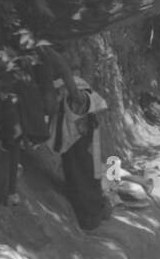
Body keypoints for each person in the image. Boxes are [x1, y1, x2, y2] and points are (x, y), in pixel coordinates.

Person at [39, 46, 111, 231]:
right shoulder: (74, 90)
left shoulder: (78, 92)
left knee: (82, 175)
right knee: (83, 174)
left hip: (80, 138)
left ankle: (91, 216)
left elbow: (76, 100)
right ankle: (94, 211)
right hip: (80, 137)